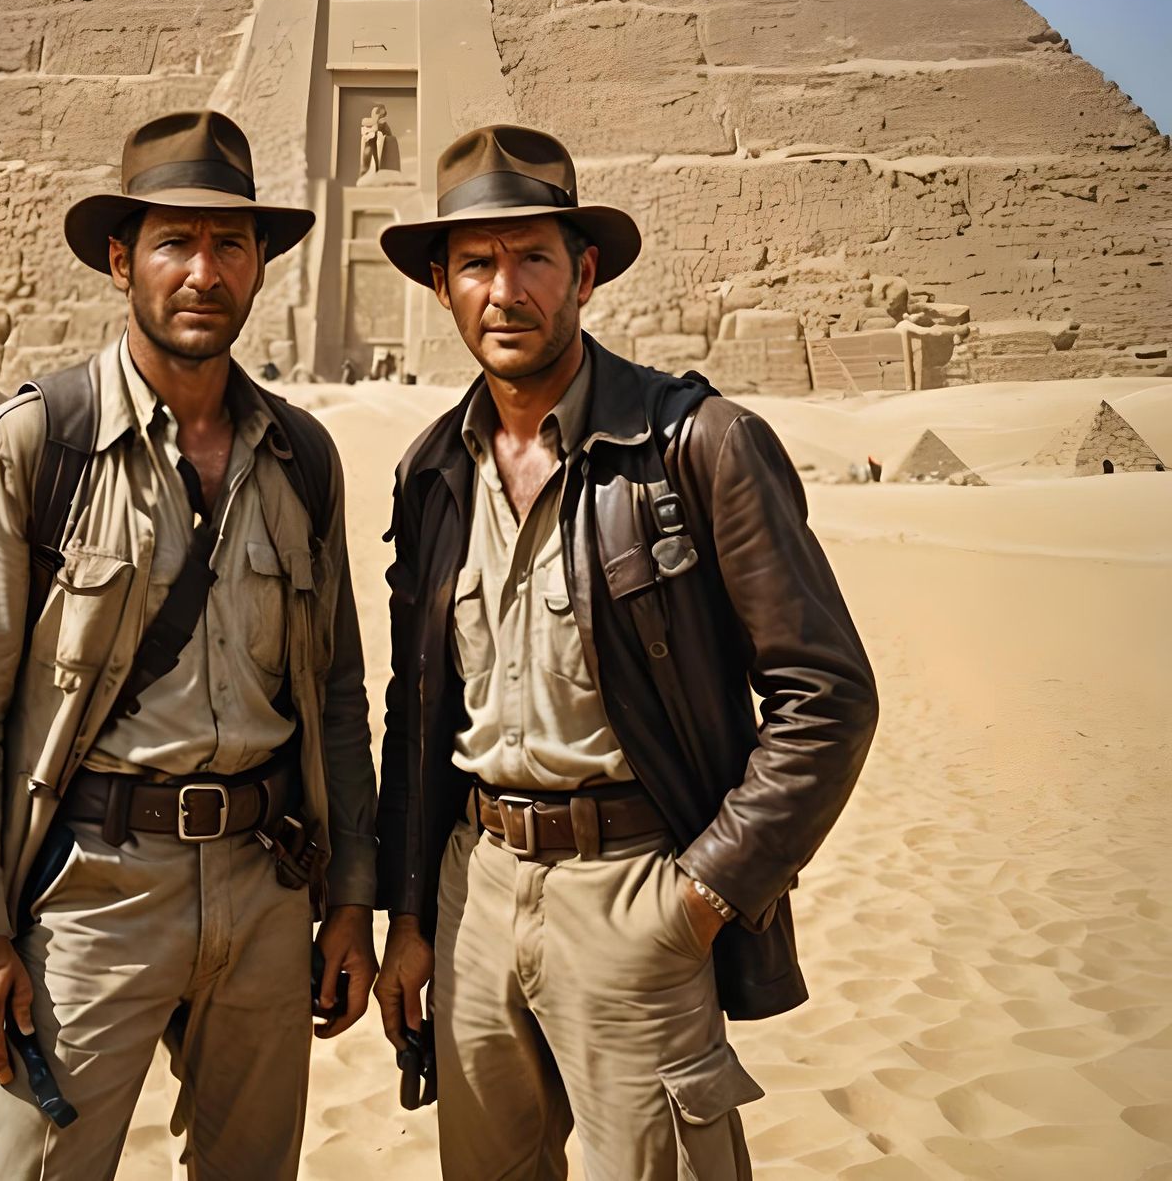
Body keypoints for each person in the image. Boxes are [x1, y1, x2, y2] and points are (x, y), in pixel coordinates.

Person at [371, 125, 879, 1179]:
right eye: (475, 263)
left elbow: (827, 696)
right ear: (440, 286)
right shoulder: (432, 474)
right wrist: (409, 916)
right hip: (472, 899)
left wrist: (700, 896)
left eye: (533, 257)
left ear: (586, 272)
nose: (505, 290)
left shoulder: (700, 445)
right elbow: (414, 716)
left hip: (634, 893)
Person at [0, 110, 378, 1179]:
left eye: (229, 244)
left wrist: (351, 898)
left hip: (266, 886)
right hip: (91, 899)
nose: (203, 272)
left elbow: (338, 695)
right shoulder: (37, 446)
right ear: (122, 260)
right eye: (175, 242)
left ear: (261, 263)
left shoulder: (302, 458)